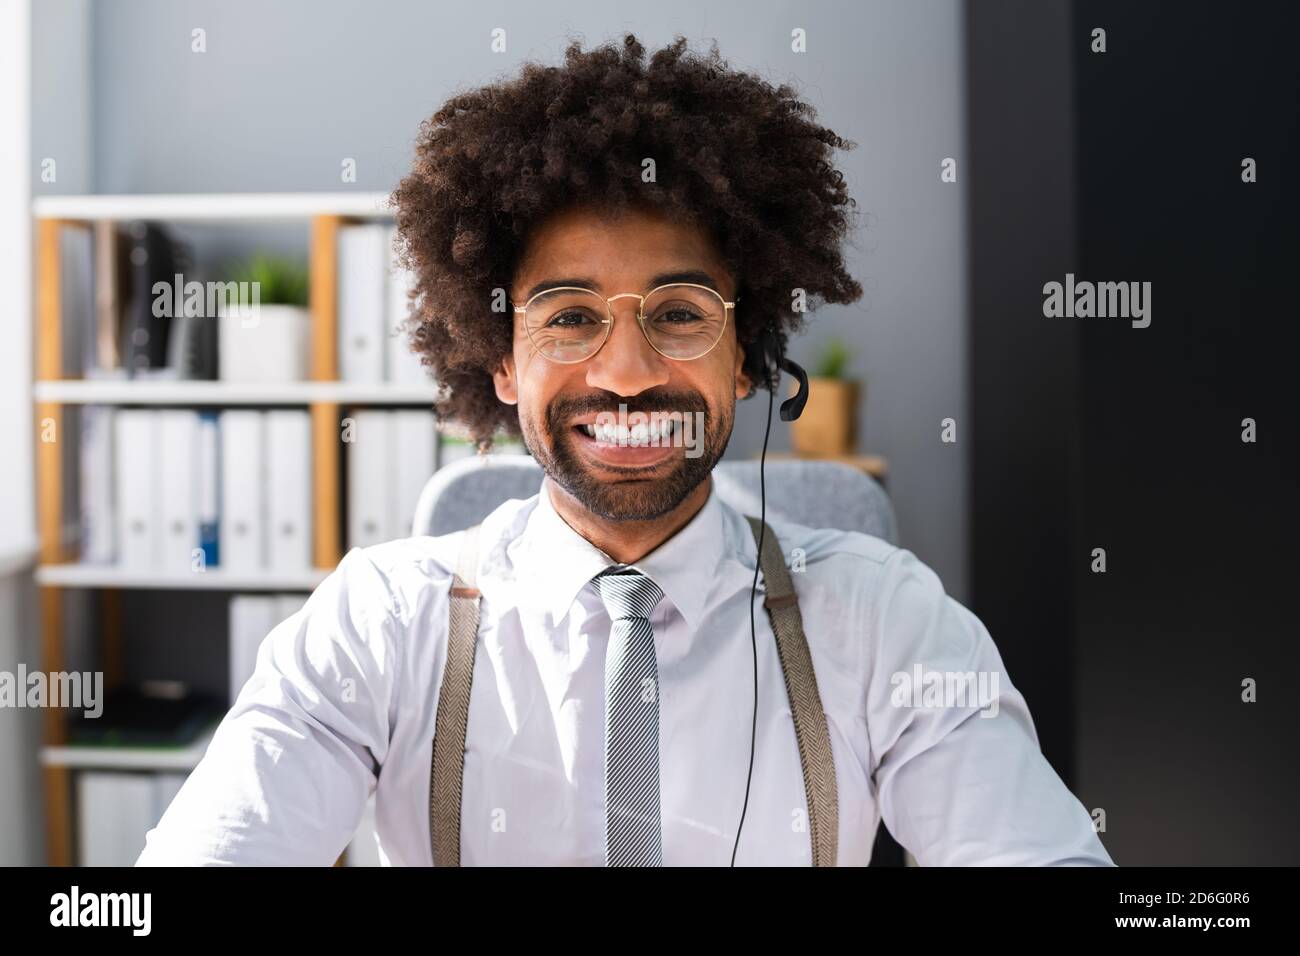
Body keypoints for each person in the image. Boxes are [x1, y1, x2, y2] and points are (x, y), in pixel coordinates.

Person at [137, 34, 1112, 867]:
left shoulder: (884, 621)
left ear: (749, 356)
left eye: (680, 313)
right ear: (501, 363)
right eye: (567, 318)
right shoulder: (380, 623)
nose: (629, 370)